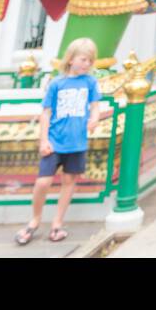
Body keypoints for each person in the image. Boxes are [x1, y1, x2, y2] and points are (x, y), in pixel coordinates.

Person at [16, 37, 103, 245]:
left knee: (69, 181)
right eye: (83, 59)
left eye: (90, 61)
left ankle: (57, 222)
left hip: (77, 142)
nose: (87, 64)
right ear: (71, 59)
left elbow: (95, 106)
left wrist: (95, 119)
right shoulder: (56, 83)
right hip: (55, 141)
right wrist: (43, 140)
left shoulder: (90, 82)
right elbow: (46, 113)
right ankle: (35, 219)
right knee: (43, 182)